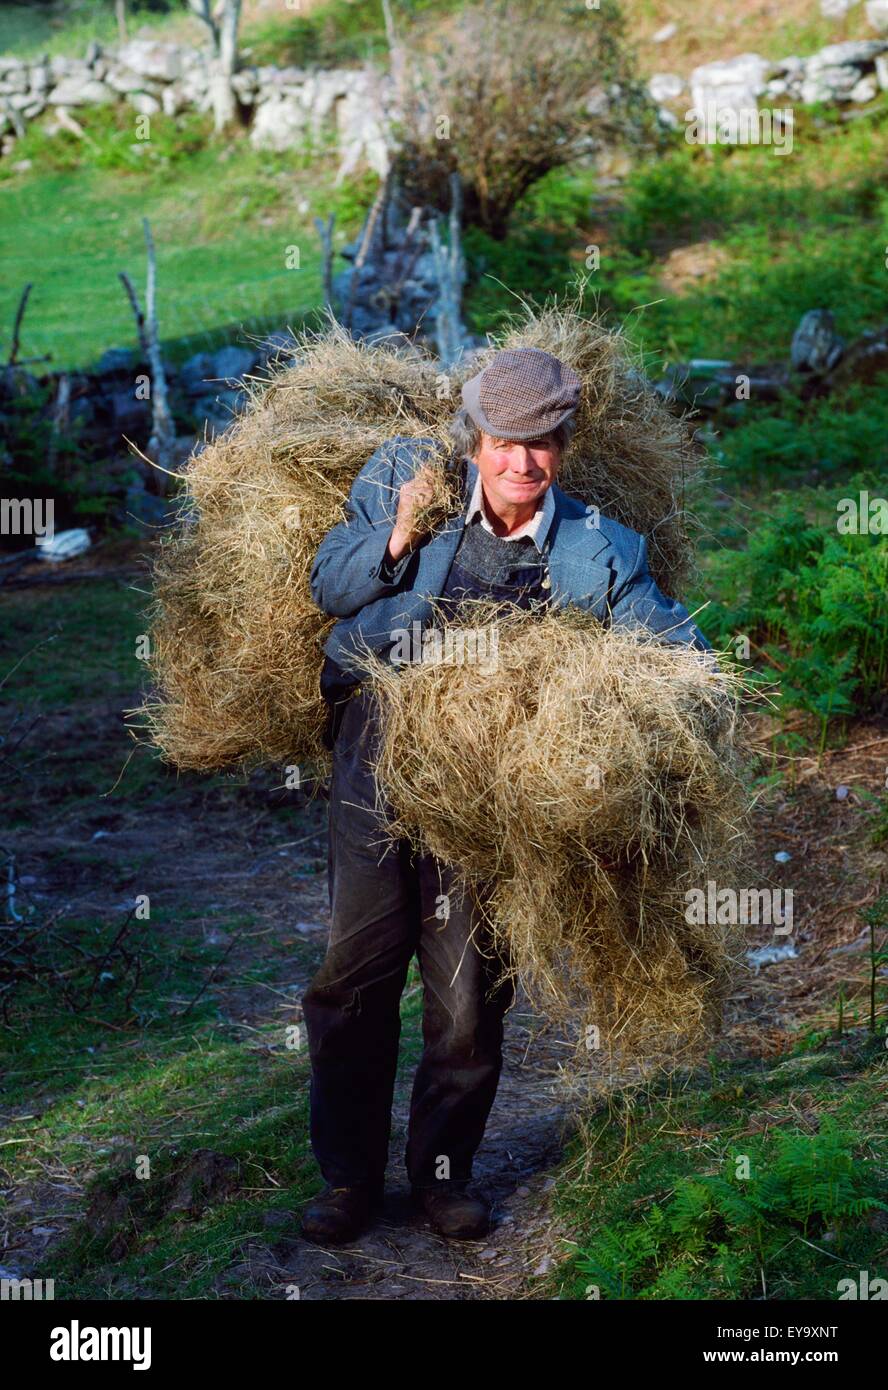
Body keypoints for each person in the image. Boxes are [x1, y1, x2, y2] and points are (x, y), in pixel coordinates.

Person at [300, 347, 712, 1244]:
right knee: (354, 975)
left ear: (565, 445)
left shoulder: (598, 546)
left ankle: (443, 1176)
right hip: (380, 754)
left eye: (543, 445)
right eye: (504, 443)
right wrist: (399, 535)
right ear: (475, 438)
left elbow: (675, 650)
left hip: (497, 795)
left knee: (470, 994)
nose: (522, 465)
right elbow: (328, 585)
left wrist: (664, 707)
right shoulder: (407, 482)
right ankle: (347, 1183)